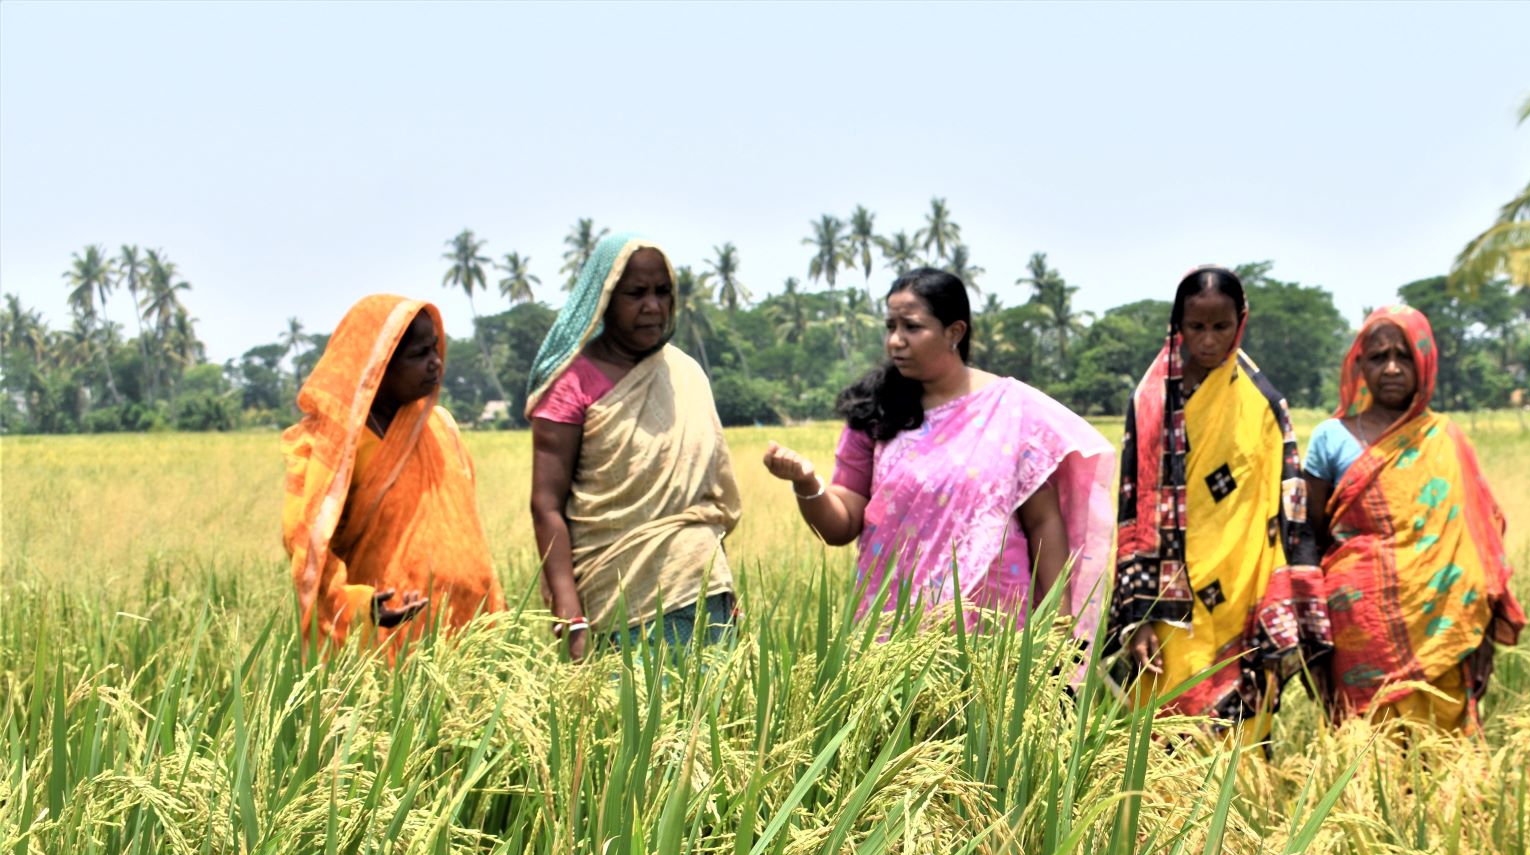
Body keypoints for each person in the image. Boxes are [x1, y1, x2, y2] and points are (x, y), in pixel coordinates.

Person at [761, 267, 1114, 637]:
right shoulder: (874, 412)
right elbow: (840, 526)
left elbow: (1043, 519)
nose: (895, 341)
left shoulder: (1009, 408)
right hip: (894, 633)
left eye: (911, 327)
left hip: (994, 627)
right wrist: (805, 484)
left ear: (954, 332)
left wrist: (1058, 625)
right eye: (890, 327)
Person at [1108, 266, 1332, 742]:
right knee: (1166, 730)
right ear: (1177, 325)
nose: (1208, 340)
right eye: (1196, 327)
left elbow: (1288, 502)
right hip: (1172, 606)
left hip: (1244, 598)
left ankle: (1243, 815)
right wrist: (1138, 616)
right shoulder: (1152, 400)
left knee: (1239, 742)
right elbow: (1135, 509)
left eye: (1220, 326)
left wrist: (1291, 593)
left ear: (1241, 322)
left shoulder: (1263, 400)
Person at [1304, 305, 1525, 732]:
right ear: (1359, 364)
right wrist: (1314, 643)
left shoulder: (1446, 438)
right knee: (1363, 762)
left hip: (1444, 629)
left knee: (1441, 764)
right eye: (1378, 357)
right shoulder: (1330, 437)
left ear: (1424, 362)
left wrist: (1478, 636)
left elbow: (1478, 544)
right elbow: (1310, 538)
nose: (1391, 368)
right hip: (1357, 629)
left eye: (1404, 356)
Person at [527, 232, 741, 662]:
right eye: (636, 294)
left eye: (663, 292)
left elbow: (705, 500)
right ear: (604, 298)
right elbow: (546, 504)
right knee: (628, 723)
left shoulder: (685, 373)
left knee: (712, 723)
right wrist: (571, 618)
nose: (653, 306)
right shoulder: (571, 383)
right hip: (616, 594)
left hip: (702, 588)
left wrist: (724, 589)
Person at [281, 295, 504, 653]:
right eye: (419, 354)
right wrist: (355, 604)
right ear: (377, 366)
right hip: (383, 637)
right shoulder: (333, 445)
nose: (435, 363)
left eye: (435, 349)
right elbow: (308, 546)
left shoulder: (441, 427)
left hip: (465, 632)